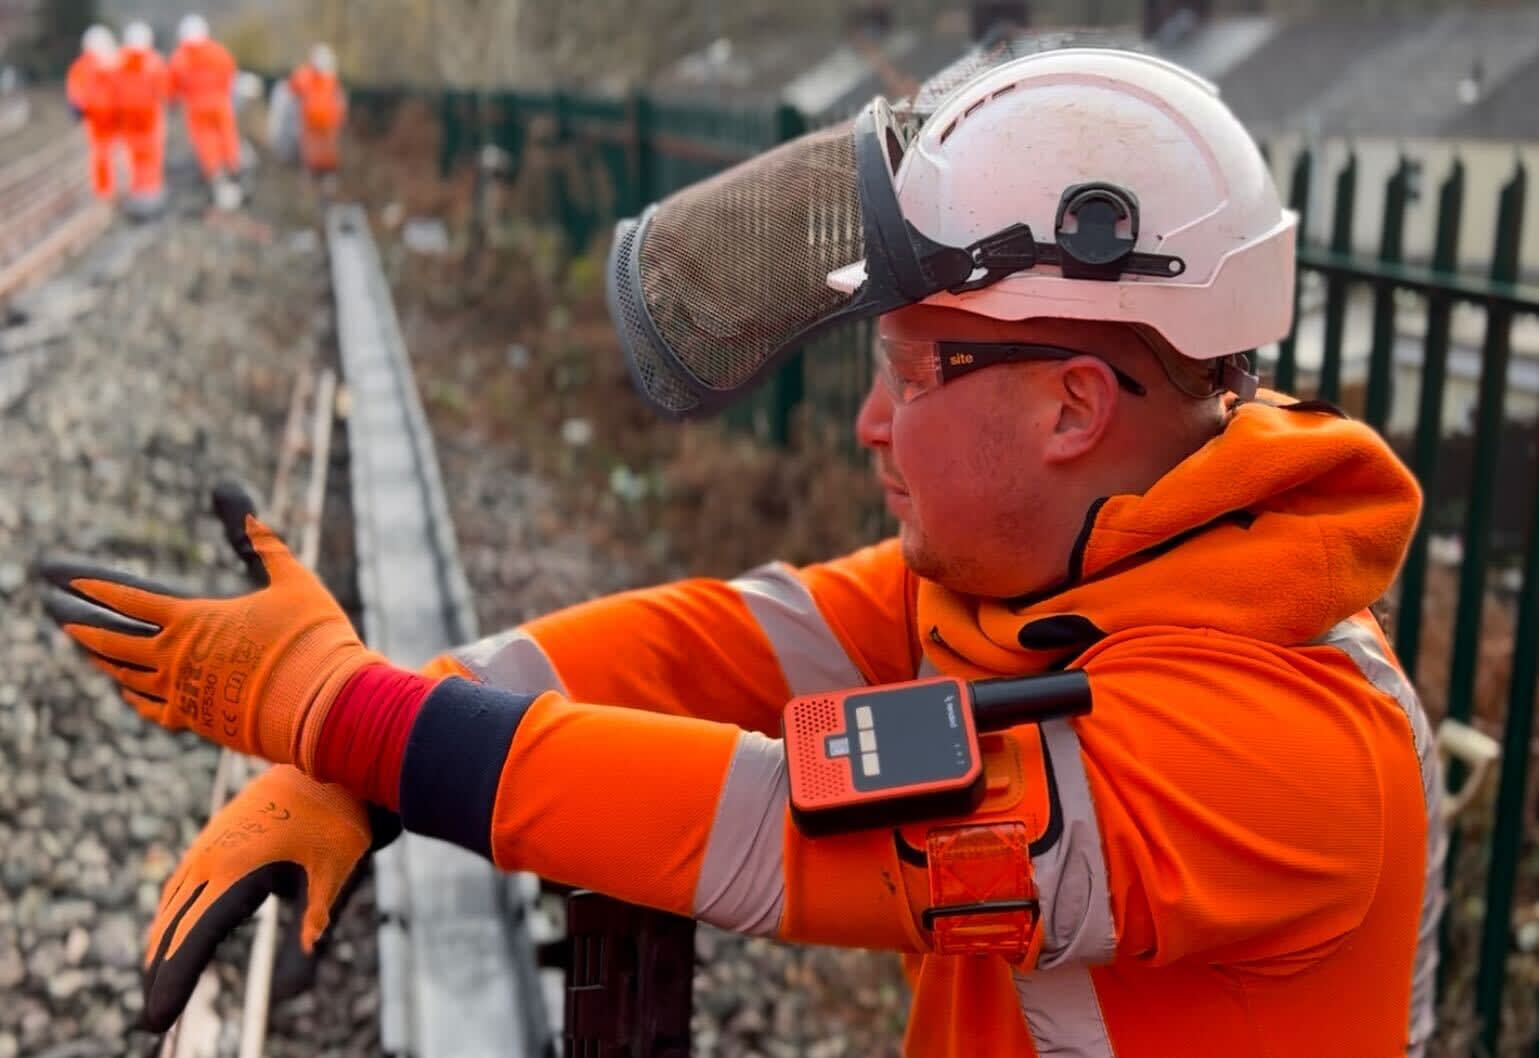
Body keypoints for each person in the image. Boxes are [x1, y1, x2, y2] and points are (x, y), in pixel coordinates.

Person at [42, 50, 1443, 1056]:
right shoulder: (1051, 587)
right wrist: (361, 761)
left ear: (1071, 403)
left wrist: (348, 709)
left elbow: (790, 828)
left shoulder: (1290, 747)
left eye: (903, 370)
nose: (864, 423)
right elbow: (715, 645)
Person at [168, 14, 242, 208]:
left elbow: (173, 85)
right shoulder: (218, 52)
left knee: (205, 141)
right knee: (226, 135)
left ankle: (216, 174)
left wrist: (175, 100)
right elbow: (230, 74)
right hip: (219, 102)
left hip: (196, 106)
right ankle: (233, 167)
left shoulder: (181, 56)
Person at [110, 20, 170, 217]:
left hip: (128, 122)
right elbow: (164, 90)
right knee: (150, 159)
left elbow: (111, 93)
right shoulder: (154, 61)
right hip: (149, 121)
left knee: (134, 159)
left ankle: (137, 194)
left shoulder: (118, 62)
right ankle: (150, 195)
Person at [66, 25, 120, 201]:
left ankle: (106, 189)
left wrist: (76, 106)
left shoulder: (85, 65)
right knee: (107, 153)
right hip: (104, 116)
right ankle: (108, 189)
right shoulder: (113, 61)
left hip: (101, 116)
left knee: (103, 153)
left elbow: (76, 90)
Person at [286, 44, 346, 179]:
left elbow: (339, 102)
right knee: (311, 153)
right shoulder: (304, 76)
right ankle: (311, 175)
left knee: (326, 154)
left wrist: (338, 120)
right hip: (310, 124)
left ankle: (326, 177)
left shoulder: (331, 80)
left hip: (327, 125)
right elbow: (291, 91)